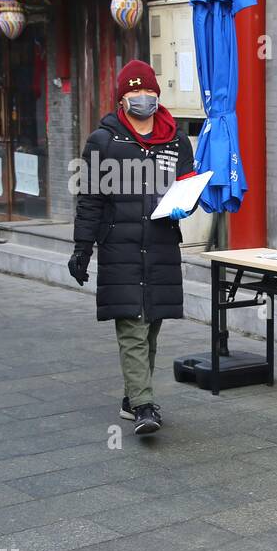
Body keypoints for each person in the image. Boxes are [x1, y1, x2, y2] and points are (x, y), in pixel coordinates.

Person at [69, 60, 197, 436]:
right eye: (135, 92)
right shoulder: (103, 141)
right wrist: (82, 249)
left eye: (150, 92)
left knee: (151, 323)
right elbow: (89, 198)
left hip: (159, 245)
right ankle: (143, 405)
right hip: (119, 247)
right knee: (132, 325)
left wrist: (187, 200)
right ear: (122, 99)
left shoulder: (175, 140)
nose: (143, 98)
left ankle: (132, 397)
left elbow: (186, 187)